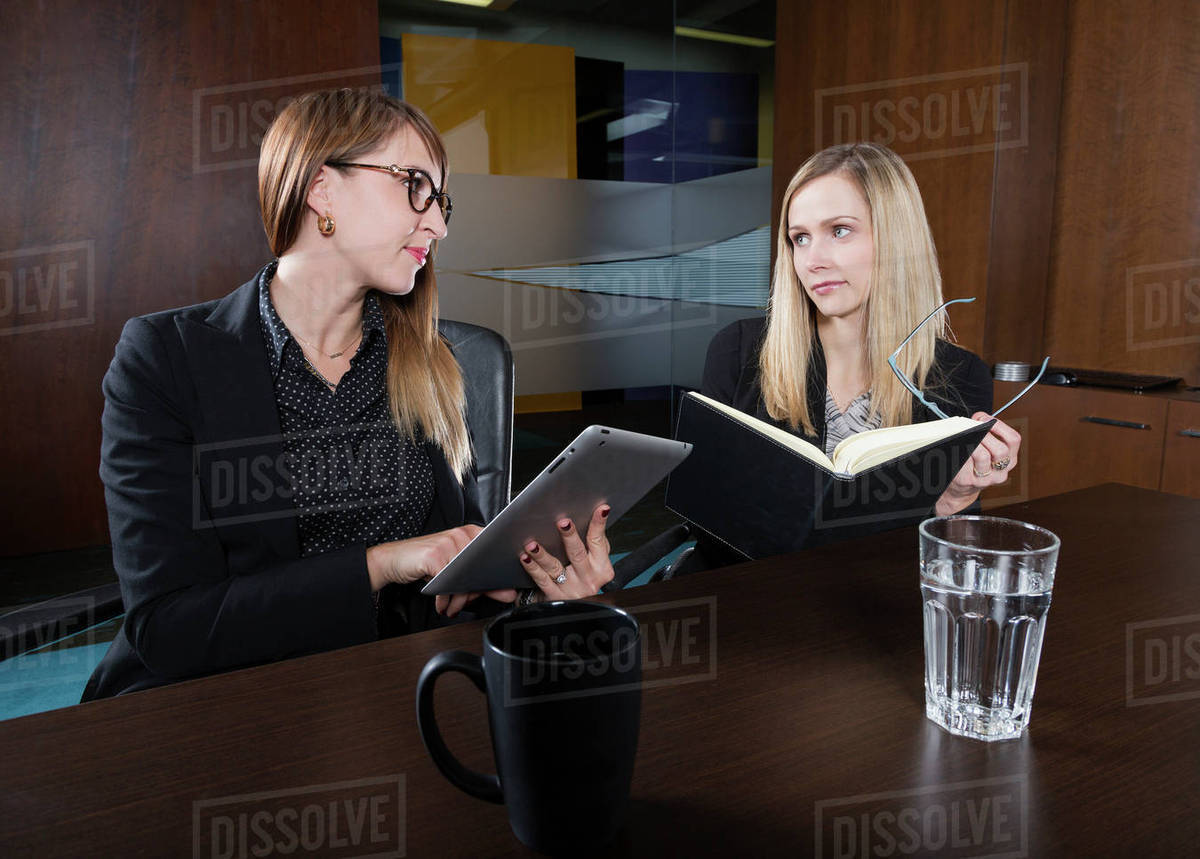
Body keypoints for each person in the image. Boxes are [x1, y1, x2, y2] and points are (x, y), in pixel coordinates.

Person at [83, 89, 613, 700]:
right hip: (221, 699)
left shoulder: (441, 364)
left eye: (442, 201)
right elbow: (170, 628)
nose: (437, 224)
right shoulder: (164, 357)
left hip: (399, 687)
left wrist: (539, 588)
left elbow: (458, 581)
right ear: (320, 189)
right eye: (414, 184)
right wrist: (382, 563)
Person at [702, 142, 1021, 531]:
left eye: (839, 231)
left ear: (896, 239)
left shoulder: (960, 375)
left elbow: (948, 552)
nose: (813, 260)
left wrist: (957, 498)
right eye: (799, 238)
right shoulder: (738, 351)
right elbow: (705, 516)